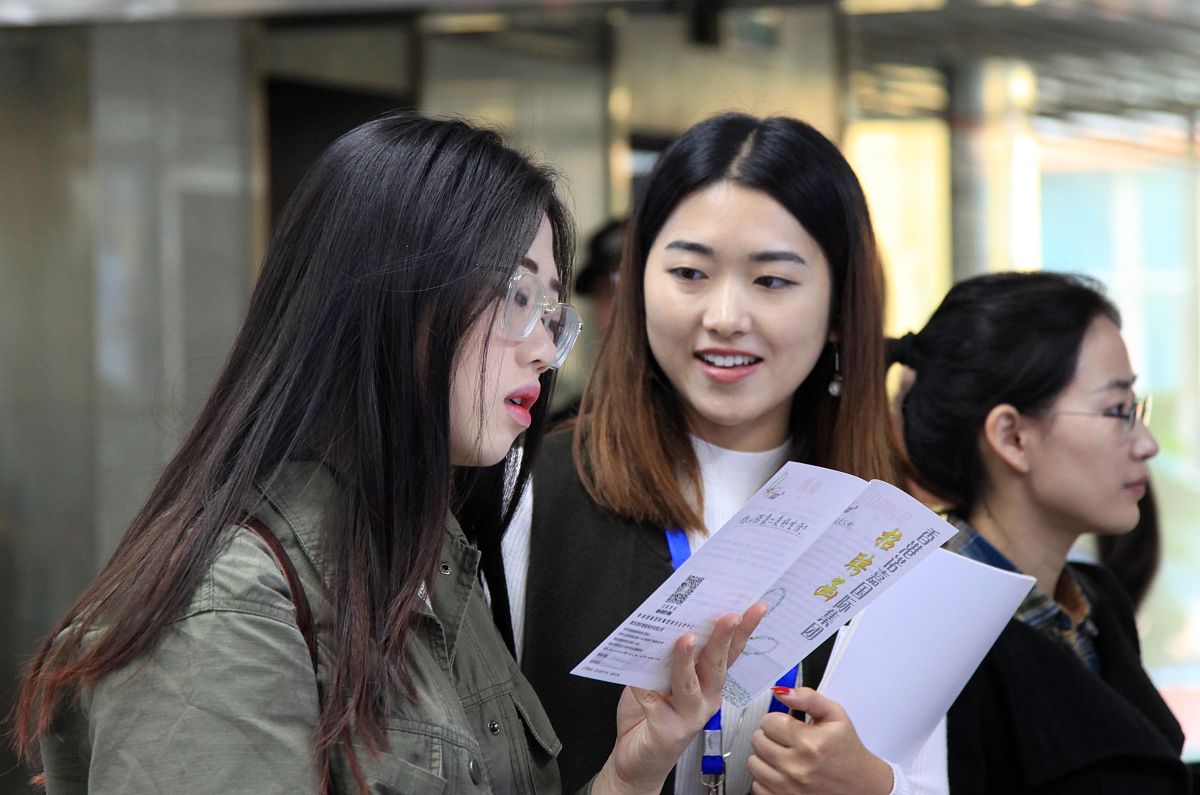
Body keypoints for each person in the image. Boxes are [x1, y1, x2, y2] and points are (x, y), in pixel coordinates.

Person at [12, 114, 765, 795]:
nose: (544, 351)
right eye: (514, 297)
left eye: (551, 314)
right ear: (392, 297)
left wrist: (631, 773)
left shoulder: (427, 561)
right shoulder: (230, 610)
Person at [506, 112, 946, 795]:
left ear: (838, 307)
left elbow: (931, 773)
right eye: (689, 271)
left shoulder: (889, 529)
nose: (724, 316)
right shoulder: (533, 489)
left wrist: (878, 787)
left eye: (772, 281)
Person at [890, 271, 1190, 793]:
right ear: (1012, 436)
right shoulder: (931, 629)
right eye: (1118, 411)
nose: (1146, 443)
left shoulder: (1097, 604)